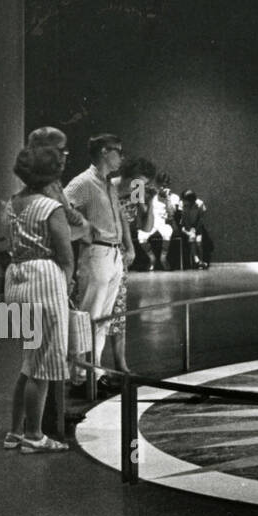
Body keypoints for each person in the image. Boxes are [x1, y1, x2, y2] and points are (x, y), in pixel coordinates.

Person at [2, 147, 75, 453]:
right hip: (44, 280)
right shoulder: (49, 207)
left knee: (29, 362)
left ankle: (15, 432)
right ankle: (34, 435)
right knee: (44, 364)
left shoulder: (14, 203)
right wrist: (67, 285)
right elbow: (65, 254)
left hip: (16, 278)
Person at [64, 134, 134, 379]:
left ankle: (94, 373)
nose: (121, 157)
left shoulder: (107, 184)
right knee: (90, 316)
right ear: (105, 151)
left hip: (113, 255)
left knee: (104, 318)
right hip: (97, 254)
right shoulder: (83, 183)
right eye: (118, 151)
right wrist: (83, 231)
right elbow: (61, 210)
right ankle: (80, 375)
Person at [111, 156, 157, 377]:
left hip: (121, 256)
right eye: (140, 180)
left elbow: (145, 226)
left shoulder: (137, 189)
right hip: (106, 249)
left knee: (118, 312)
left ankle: (121, 364)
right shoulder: (110, 186)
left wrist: (150, 203)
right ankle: (94, 371)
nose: (142, 184)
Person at [139, 173, 178, 271]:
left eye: (165, 185)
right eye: (161, 184)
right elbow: (144, 210)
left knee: (167, 231)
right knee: (141, 236)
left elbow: (172, 213)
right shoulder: (152, 196)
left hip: (164, 222)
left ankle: (163, 258)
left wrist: (167, 199)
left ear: (169, 185)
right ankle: (152, 259)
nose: (163, 187)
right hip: (151, 222)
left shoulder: (174, 197)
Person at [178, 191, 210, 269]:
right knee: (192, 238)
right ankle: (197, 260)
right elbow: (184, 218)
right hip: (186, 227)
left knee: (199, 242)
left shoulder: (200, 204)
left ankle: (200, 261)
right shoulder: (181, 204)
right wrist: (189, 230)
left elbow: (201, 219)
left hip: (197, 227)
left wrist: (195, 229)